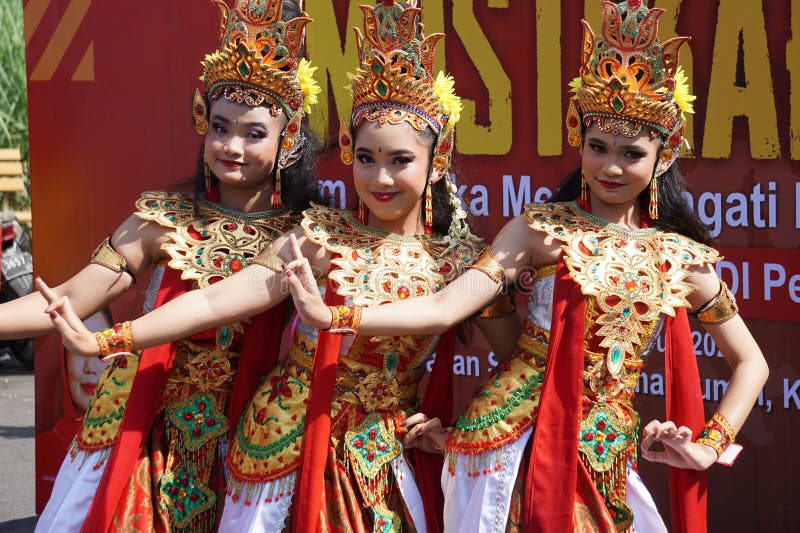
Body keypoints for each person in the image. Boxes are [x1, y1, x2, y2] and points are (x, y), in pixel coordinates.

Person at [282, 1, 770, 532]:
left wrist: (709, 444)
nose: (610, 166)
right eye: (597, 146)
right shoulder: (539, 230)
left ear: (665, 153)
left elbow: (752, 363)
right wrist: (340, 319)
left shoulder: (681, 258)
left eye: (631, 153)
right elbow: (447, 306)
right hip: (509, 446)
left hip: (603, 449)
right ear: (578, 141)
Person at [41, 2, 491, 531]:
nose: (380, 179)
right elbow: (214, 299)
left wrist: (456, 432)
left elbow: (520, 360)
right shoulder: (320, 235)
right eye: (366, 159)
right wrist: (113, 340)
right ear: (347, 151)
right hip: (281, 450)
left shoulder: (462, 260)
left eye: (400, 161)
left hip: (379, 464)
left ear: (436, 162)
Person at [20, 1, 322, 531]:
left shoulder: (309, 235)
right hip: (152, 430)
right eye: (220, 127)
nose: (231, 146)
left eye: (253, 134)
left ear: (287, 140)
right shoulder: (161, 220)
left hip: (259, 437)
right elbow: (72, 295)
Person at [35, 309, 112, 511]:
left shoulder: (137, 447)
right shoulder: (47, 446)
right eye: (78, 349)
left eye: (101, 351)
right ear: (63, 358)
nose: (90, 367)